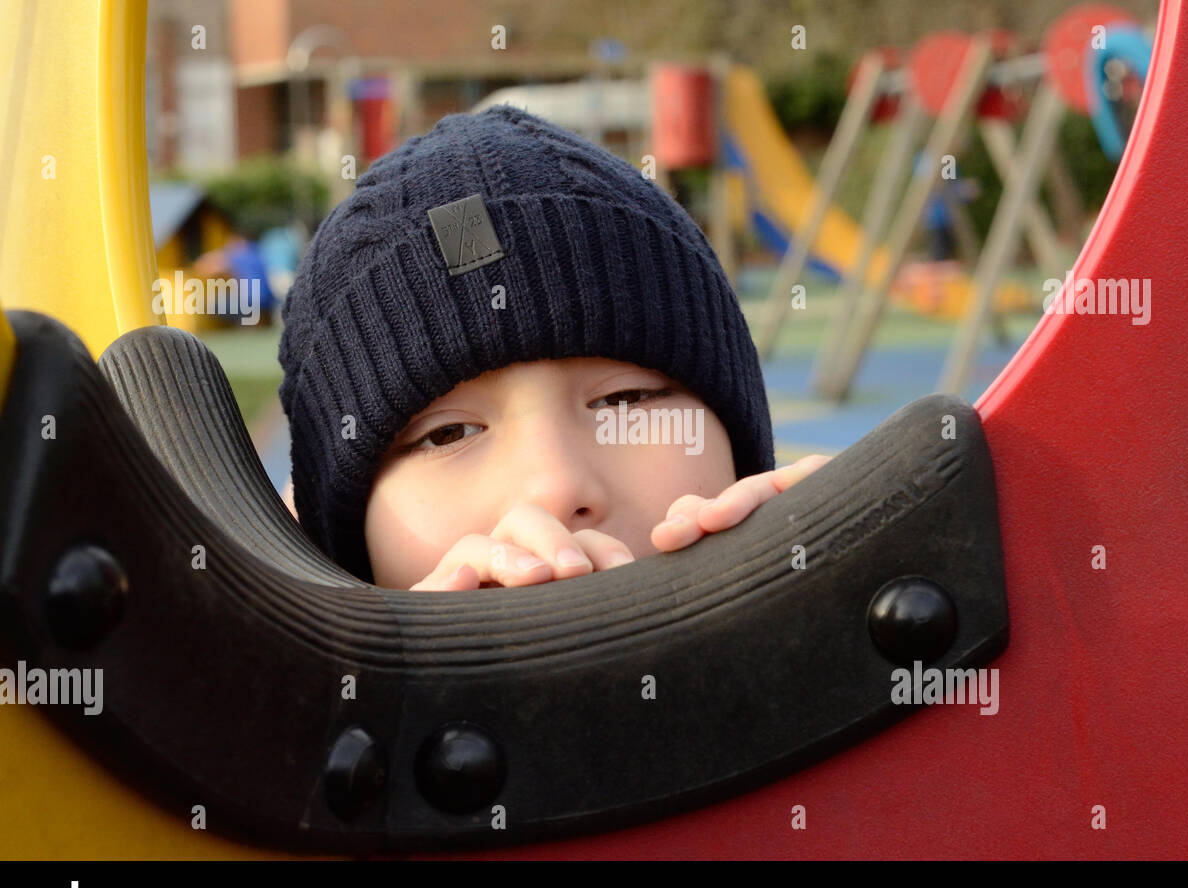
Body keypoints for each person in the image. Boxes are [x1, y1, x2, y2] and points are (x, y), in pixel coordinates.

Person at [277, 104, 830, 590]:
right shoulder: (298, 706)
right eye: (447, 433)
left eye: (624, 402)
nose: (555, 488)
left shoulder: (875, 649)